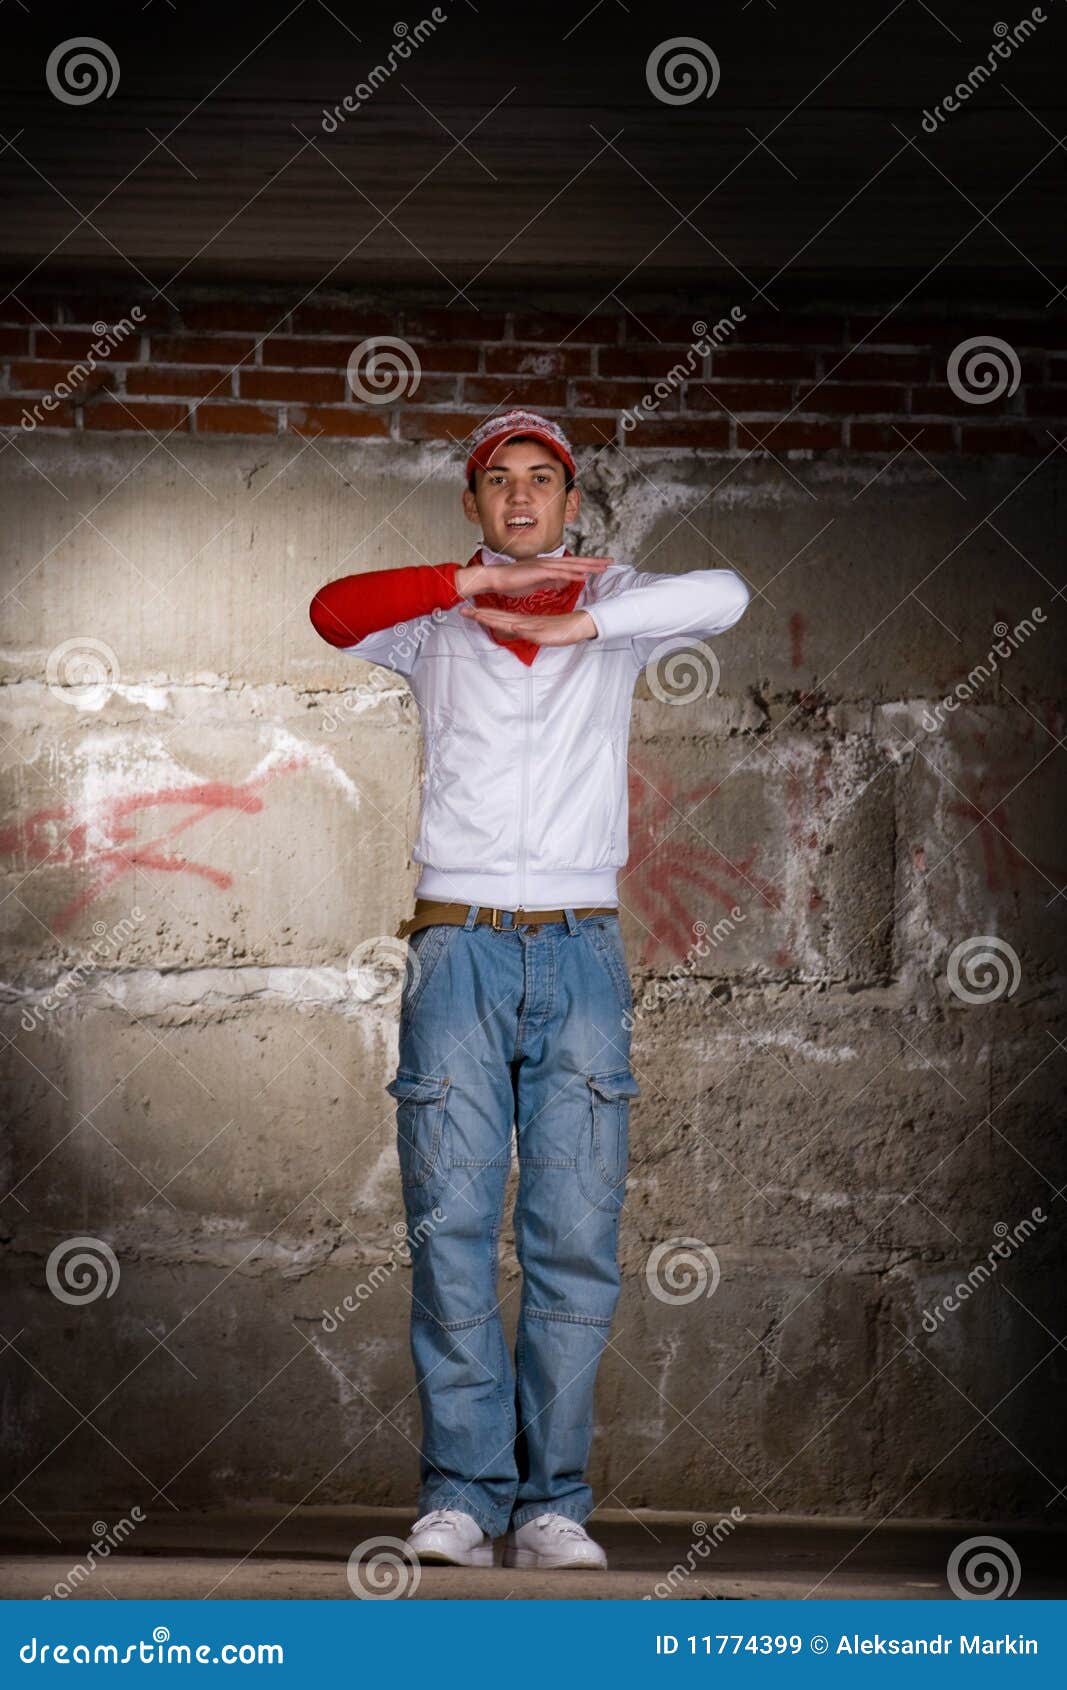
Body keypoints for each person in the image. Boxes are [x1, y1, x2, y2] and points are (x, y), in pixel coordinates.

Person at [309, 408, 751, 1570]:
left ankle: (552, 1503)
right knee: (450, 1222)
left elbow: (727, 593)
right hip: (455, 946)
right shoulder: (430, 620)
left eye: (540, 479)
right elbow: (329, 610)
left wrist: (581, 618)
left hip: (580, 949)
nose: (518, 498)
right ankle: (460, 1494)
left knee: (573, 1232)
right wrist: (466, 587)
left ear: (569, 498)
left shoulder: (620, 604)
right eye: (496, 481)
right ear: (472, 504)